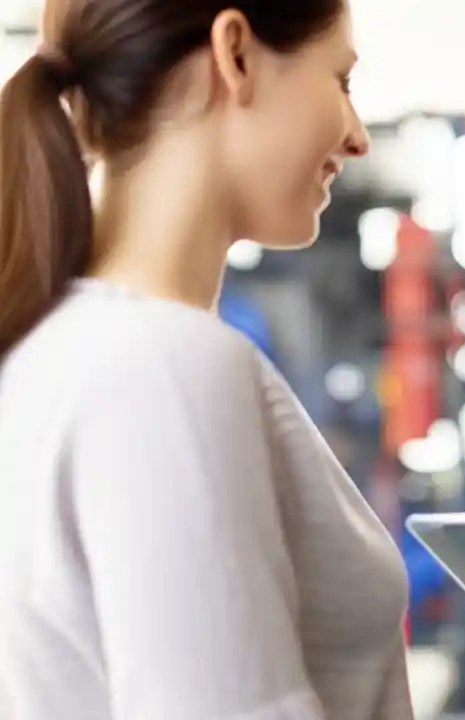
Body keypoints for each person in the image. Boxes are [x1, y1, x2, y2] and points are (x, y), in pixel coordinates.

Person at [0, 1, 413, 718]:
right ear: (237, 54)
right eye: (340, 81)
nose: (356, 139)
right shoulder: (160, 366)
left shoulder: (60, 349)